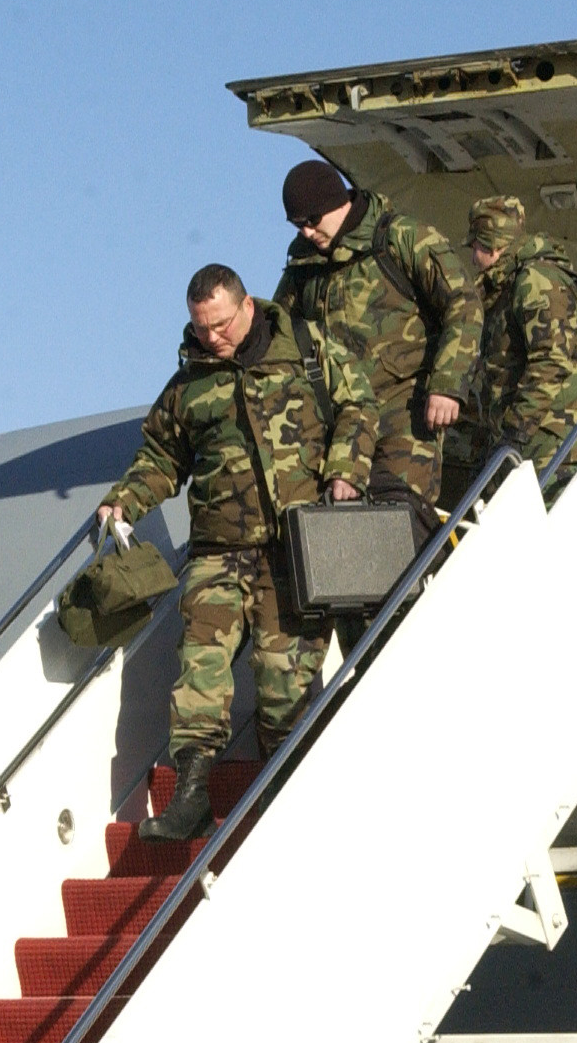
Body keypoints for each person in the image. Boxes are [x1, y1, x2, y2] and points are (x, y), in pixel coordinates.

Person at [95, 265, 374, 841]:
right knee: (199, 669)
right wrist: (125, 500)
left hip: (295, 551)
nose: (211, 338)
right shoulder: (190, 382)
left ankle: (289, 803)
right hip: (219, 551)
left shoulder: (308, 351)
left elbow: (358, 408)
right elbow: (162, 457)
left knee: (283, 688)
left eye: (220, 325)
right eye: (200, 329)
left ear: (247, 306)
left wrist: (346, 468)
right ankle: (191, 796)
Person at [271, 160, 476, 516]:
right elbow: (278, 339)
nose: (306, 233)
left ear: (337, 203)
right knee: (336, 523)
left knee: (400, 510)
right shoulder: (303, 270)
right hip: (342, 419)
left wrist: (447, 382)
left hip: (406, 405)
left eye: (312, 221)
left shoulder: (400, 238)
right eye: (297, 225)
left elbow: (463, 302)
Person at [467, 195, 577, 472]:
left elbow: (552, 361)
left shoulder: (536, 281)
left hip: (555, 444)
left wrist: (515, 430)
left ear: (494, 244)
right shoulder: (510, 284)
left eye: (476, 246)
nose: (473, 257)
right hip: (534, 441)